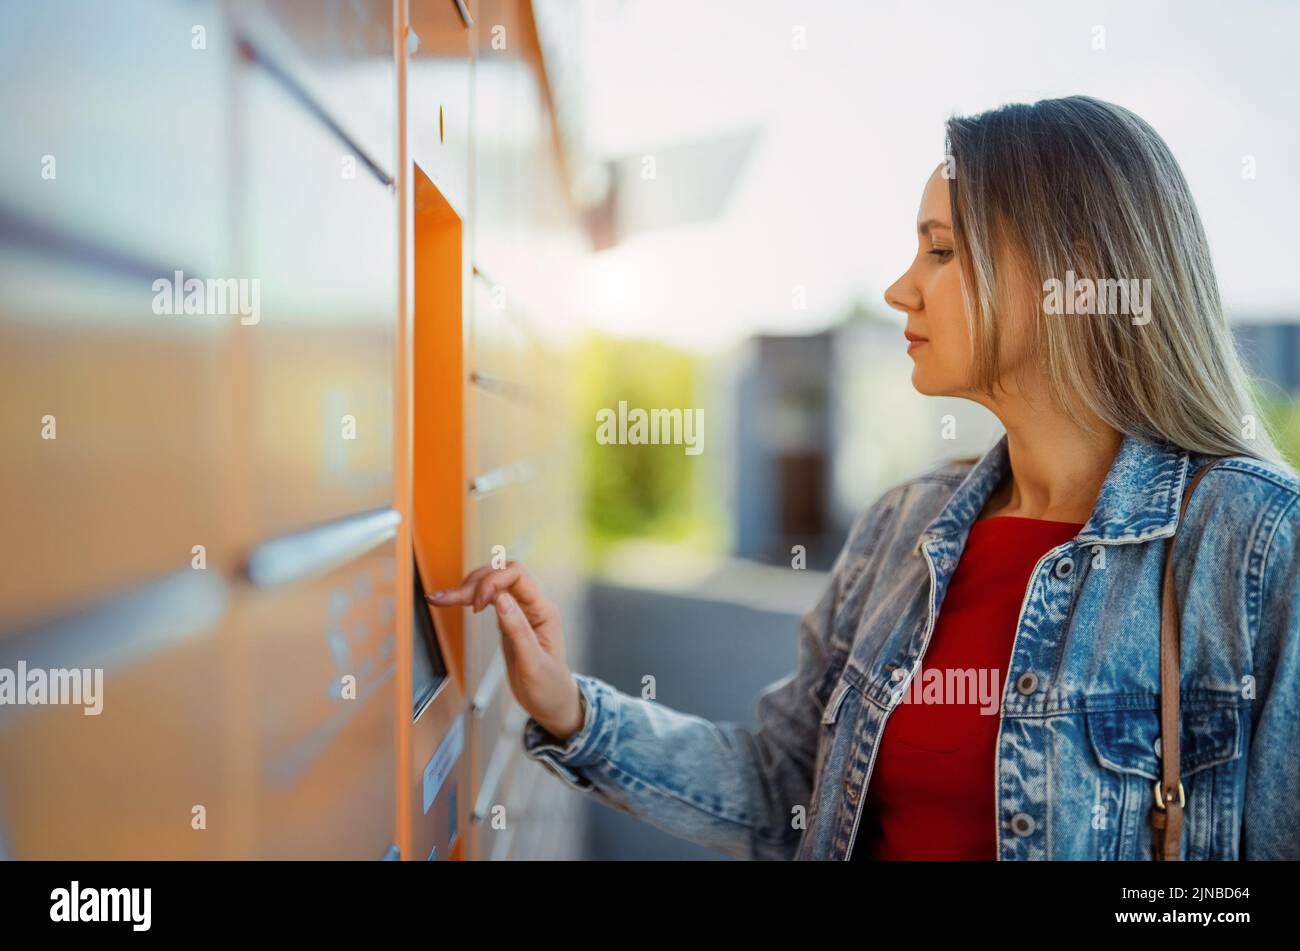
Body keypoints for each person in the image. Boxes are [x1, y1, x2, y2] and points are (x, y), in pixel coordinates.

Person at [429, 96, 1300, 860]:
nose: (898, 289)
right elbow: (785, 793)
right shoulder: (904, 527)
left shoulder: (1257, 549)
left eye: (940, 251)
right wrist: (573, 708)